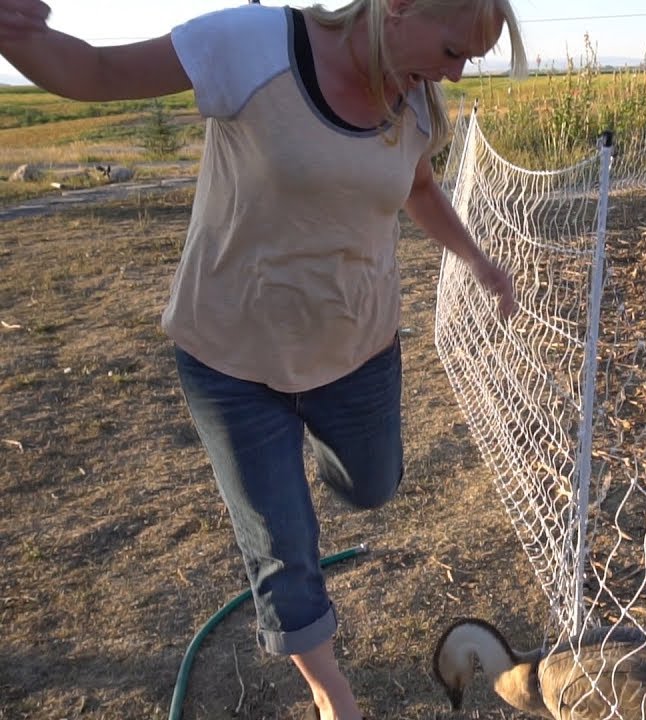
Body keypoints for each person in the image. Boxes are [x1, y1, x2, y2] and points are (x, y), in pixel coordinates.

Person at [0, 0, 527, 717]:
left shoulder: (416, 101)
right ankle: (331, 692)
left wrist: (478, 259)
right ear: (398, 7)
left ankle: (305, 461)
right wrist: (17, 33)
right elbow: (95, 72)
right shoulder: (252, 46)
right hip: (231, 359)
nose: (456, 73)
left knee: (373, 487)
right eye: (453, 50)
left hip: (357, 349)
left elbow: (421, 187)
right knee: (282, 542)